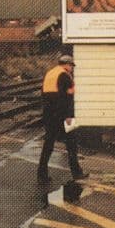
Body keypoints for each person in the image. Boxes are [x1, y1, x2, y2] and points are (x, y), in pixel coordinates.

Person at [38, 54, 85, 182]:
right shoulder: (64, 75)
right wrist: (70, 116)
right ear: (67, 64)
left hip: (49, 115)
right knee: (72, 143)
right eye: (71, 66)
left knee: (48, 144)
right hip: (64, 115)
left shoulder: (50, 73)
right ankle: (77, 173)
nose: (72, 69)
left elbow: (43, 95)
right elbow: (68, 98)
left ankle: (41, 175)